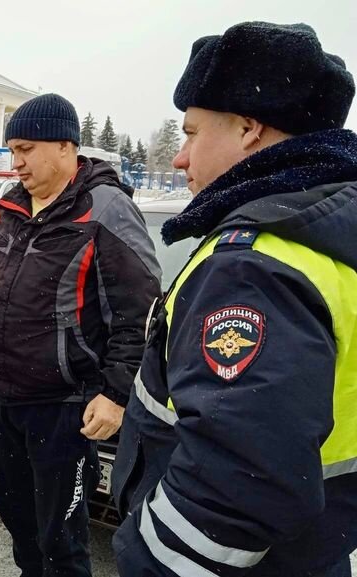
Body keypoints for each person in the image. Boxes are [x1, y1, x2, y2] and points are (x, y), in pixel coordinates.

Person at [111, 22, 357, 577]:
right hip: (318, 549)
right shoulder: (331, 234)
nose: (179, 157)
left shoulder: (254, 266)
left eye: (192, 132)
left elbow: (239, 487)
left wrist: (149, 564)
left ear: (248, 128)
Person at [0, 94, 161, 577]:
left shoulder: (105, 210)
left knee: (62, 540)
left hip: (64, 406)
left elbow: (142, 314)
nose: (16, 162)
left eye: (25, 149)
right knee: (18, 520)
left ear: (66, 146)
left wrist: (115, 393)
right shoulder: (8, 209)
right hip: (5, 397)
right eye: (12, 150)